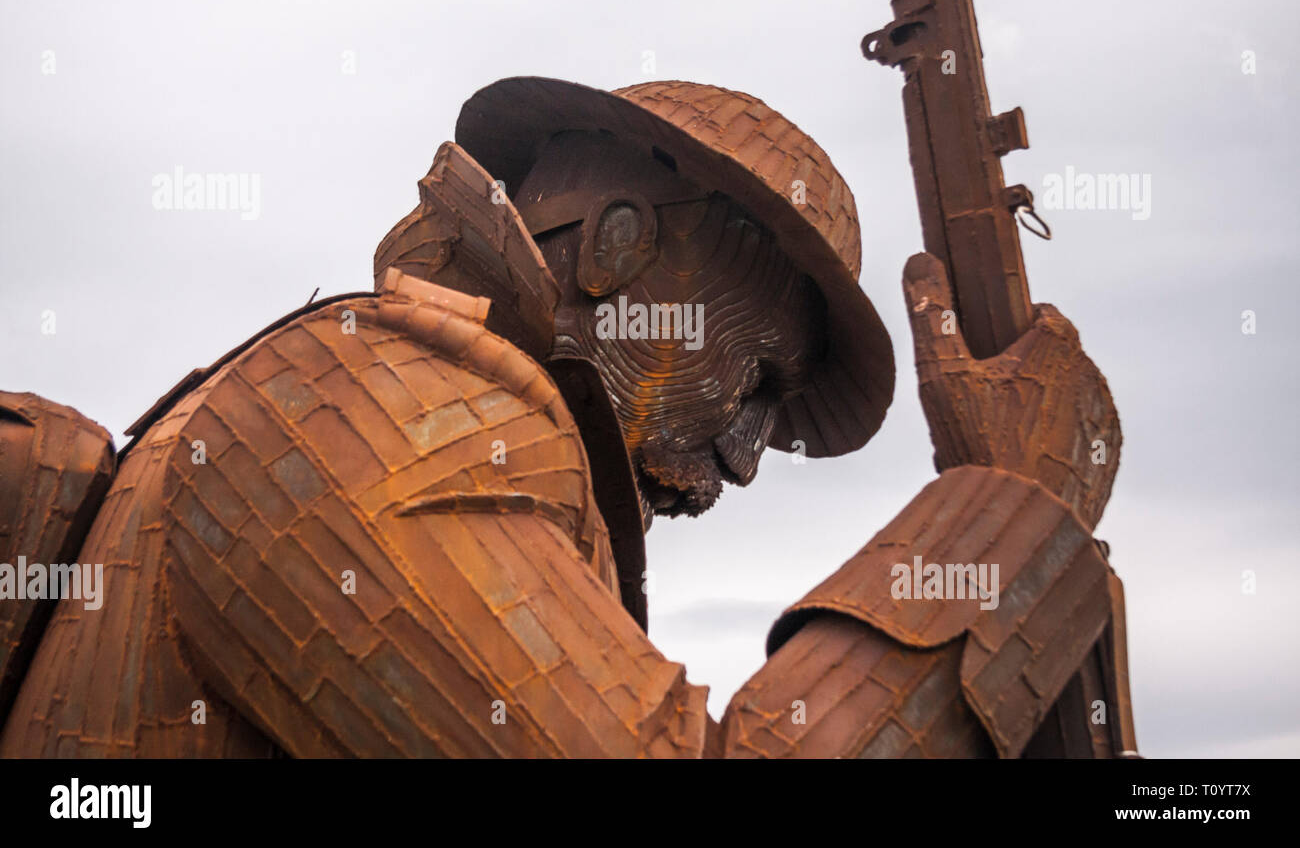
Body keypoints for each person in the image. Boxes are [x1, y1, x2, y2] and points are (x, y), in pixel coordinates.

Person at [0, 78, 1135, 757]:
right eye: (753, 383)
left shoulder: (371, 399)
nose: (742, 460)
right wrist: (1008, 514)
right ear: (618, 247)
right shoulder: (386, 404)